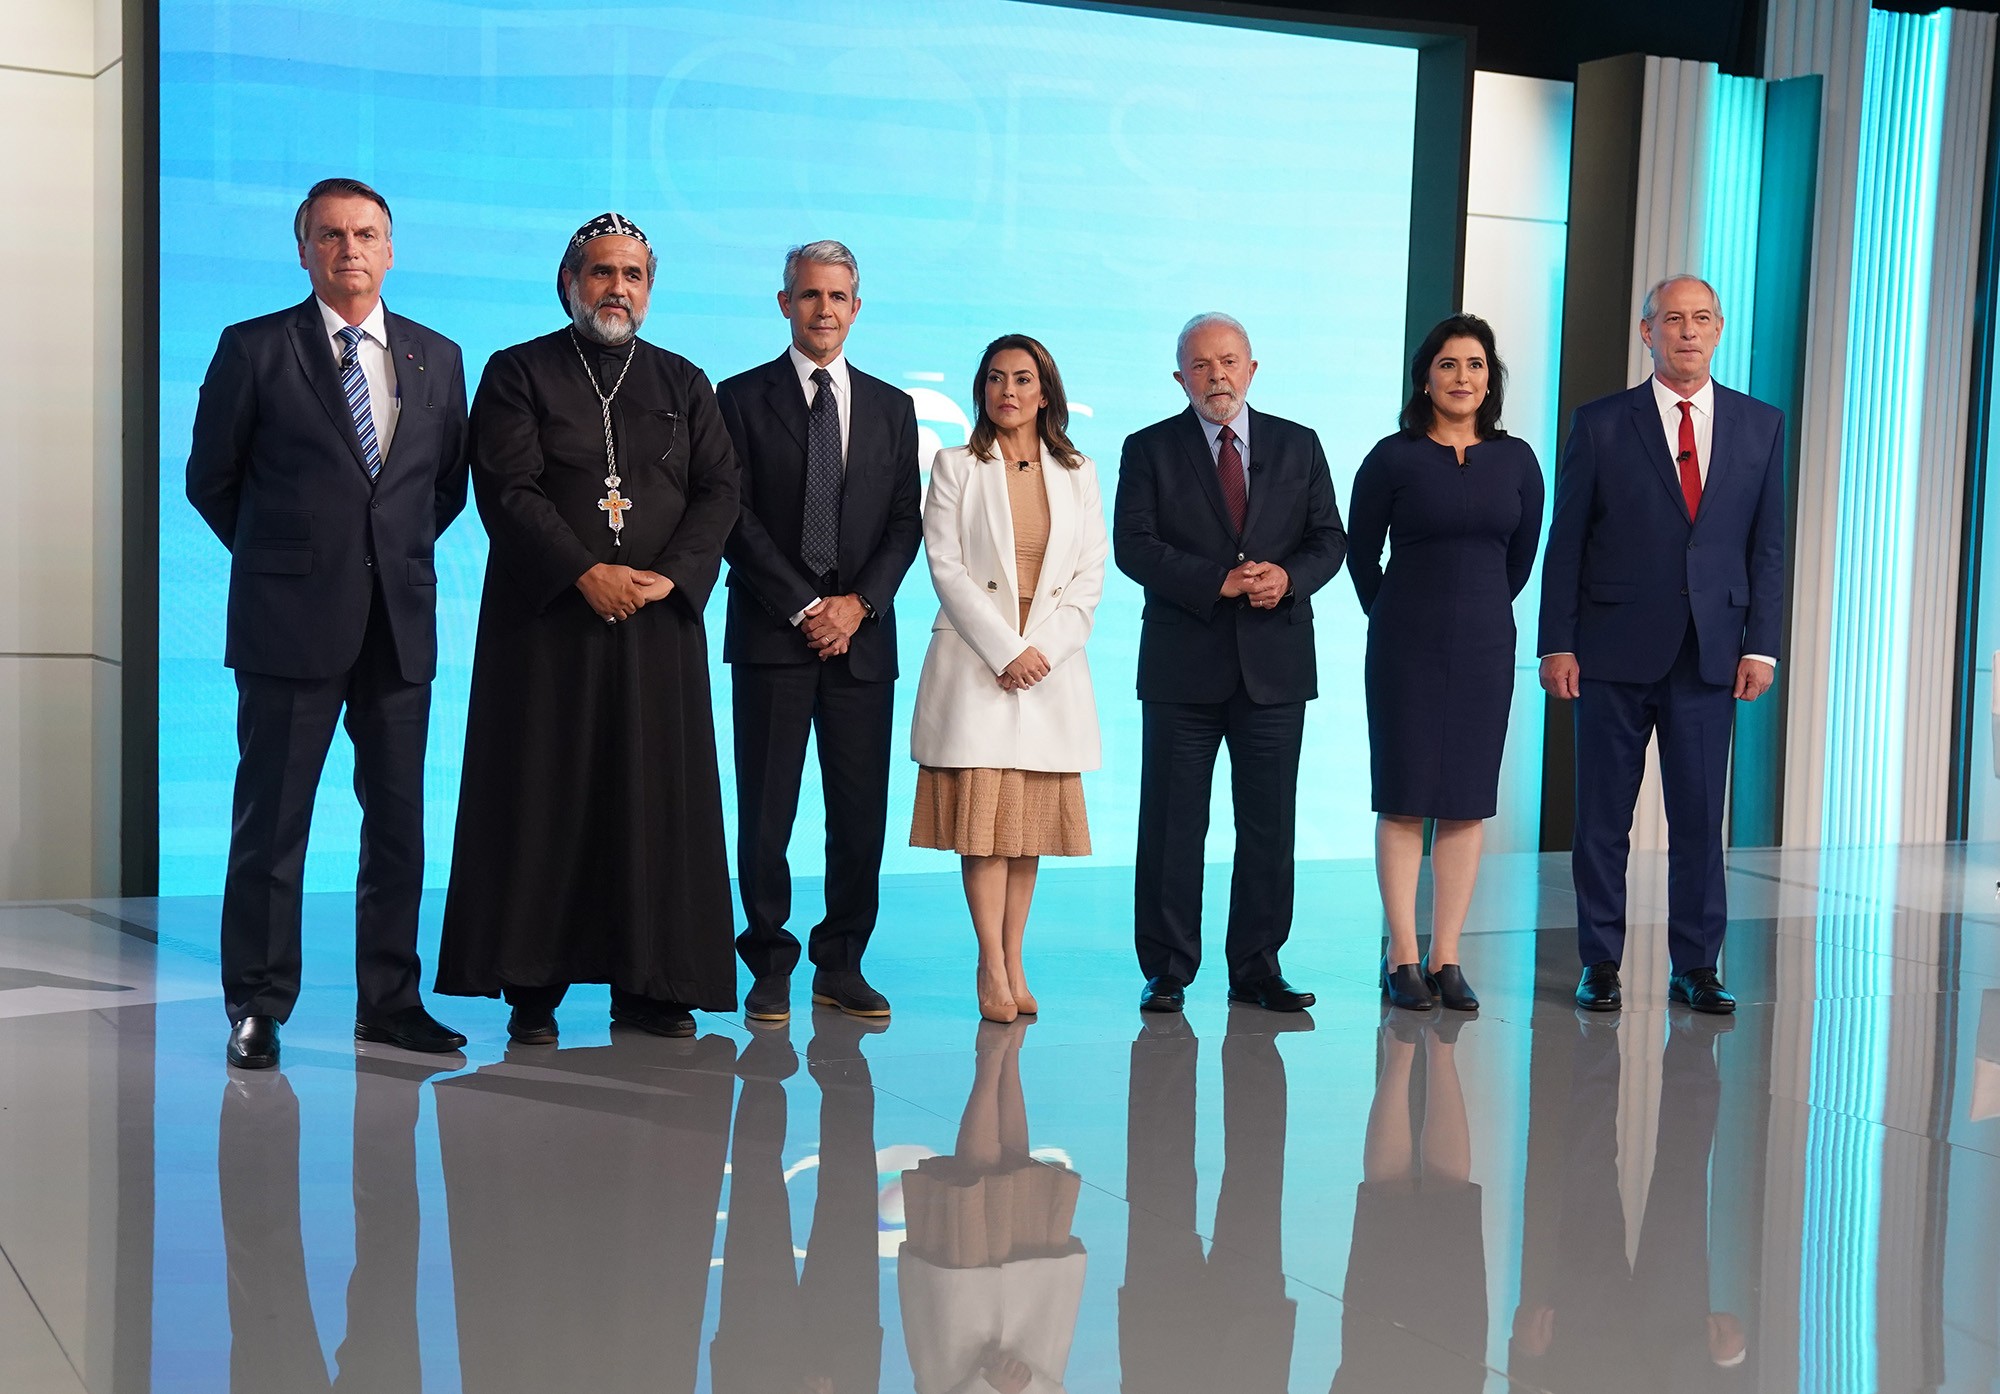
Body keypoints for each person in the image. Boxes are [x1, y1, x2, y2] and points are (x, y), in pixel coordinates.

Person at [435, 213, 741, 1042]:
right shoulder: (517, 371)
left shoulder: (684, 381)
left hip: (655, 624)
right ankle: (531, 985)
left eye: (633, 275)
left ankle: (655, 981)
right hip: (549, 630)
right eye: (601, 272)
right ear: (568, 282)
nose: (617, 289)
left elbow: (720, 491)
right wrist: (582, 572)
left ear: (649, 289)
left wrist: (670, 576)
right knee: (544, 796)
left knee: (653, 801)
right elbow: (508, 485)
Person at [186, 176, 469, 1071]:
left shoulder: (437, 356)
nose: (351, 250)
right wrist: (287, 562)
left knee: (397, 825)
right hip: (287, 626)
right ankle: (258, 1007)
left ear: (391, 250)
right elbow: (211, 478)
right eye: (332, 235)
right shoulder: (255, 348)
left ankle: (390, 1001)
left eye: (367, 234)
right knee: (272, 826)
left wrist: (381, 559)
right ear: (303, 248)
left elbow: (441, 489)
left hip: (399, 624)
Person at [1538, 275, 1785, 1015]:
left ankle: (1697, 966)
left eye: (1701, 319)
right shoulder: (1602, 422)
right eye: (1672, 319)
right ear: (1647, 333)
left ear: (1718, 330)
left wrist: (1762, 645)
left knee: (1699, 821)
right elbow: (1567, 543)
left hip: (1713, 654)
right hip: (1611, 650)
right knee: (1603, 821)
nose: (1687, 331)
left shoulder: (1760, 424)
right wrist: (1557, 643)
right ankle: (1600, 963)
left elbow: (1767, 545)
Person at [1112, 312, 1347, 1015]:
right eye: (1201, 364)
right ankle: (1168, 969)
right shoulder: (1149, 448)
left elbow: (1329, 538)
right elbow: (1134, 545)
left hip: (1274, 666)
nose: (1217, 374)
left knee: (1269, 824)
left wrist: (1289, 578)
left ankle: (1258, 966)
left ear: (1251, 369)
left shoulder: (1298, 445)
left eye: (1229, 361)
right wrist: (1214, 581)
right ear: (1179, 376)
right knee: (1172, 824)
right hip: (1184, 665)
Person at [717, 240, 923, 1025]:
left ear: (857, 308)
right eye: (809, 295)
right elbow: (732, 516)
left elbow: (904, 521)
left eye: (838, 297)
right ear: (785, 304)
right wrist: (807, 605)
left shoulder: (892, 407)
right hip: (774, 636)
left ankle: (842, 963)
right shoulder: (736, 399)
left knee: (858, 811)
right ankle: (768, 960)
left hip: (863, 644)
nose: (824, 310)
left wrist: (858, 606)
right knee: (766, 810)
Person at [908, 335, 1109, 1023]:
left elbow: (1088, 579)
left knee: (1026, 832)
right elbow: (946, 567)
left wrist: (1042, 650)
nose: (1008, 391)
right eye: (995, 379)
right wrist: (1004, 650)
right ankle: (988, 965)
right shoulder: (956, 465)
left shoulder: (1077, 471)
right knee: (984, 829)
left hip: (1046, 672)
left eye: (1023, 379)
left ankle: (1015, 957)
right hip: (978, 666)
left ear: (1045, 392)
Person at [1348, 314, 1545, 1012]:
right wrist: (1398, 612)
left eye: (1476, 365)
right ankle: (1402, 954)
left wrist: (1476, 608)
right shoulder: (1392, 457)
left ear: (1490, 379)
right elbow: (1360, 553)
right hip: (1404, 646)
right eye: (1449, 365)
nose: (1463, 378)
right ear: (1425, 377)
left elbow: (1519, 560)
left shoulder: (1518, 459)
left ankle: (1447, 956)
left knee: (1465, 804)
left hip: (1487, 647)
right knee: (1404, 798)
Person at [899, 1019, 1087, 1394]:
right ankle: (1009, 1060)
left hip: (960, 1369)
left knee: (974, 1197)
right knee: (1021, 1188)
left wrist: (991, 1388)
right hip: (1035, 1362)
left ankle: (989, 1064)